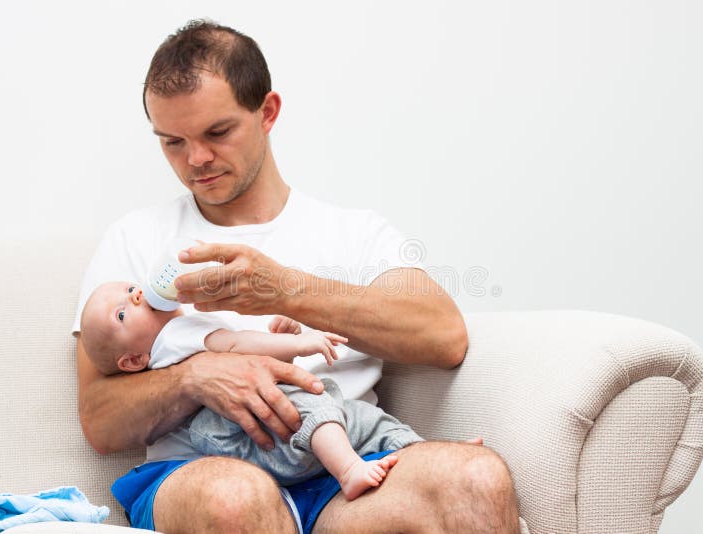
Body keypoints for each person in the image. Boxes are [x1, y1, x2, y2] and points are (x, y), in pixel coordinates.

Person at [73, 19, 521, 534]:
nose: (195, 159)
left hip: (344, 464)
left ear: (267, 112)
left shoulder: (353, 232)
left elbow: (443, 337)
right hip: (203, 468)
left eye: (217, 133)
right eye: (172, 141)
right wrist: (196, 376)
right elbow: (100, 420)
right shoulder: (134, 239)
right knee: (234, 499)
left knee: (476, 477)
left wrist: (284, 290)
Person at [80, 281, 423, 499]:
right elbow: (238, 345)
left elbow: (253, 360)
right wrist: (300, 342)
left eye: (131, 289)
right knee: (325, 412)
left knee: (360, 418)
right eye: (122, 314)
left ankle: (420, 454)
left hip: (256, 439)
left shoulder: (174, 345)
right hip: (244, 430)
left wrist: (282, 341)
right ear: (134, 360)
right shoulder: (175, 335)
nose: (136, 296)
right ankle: (349, 470)